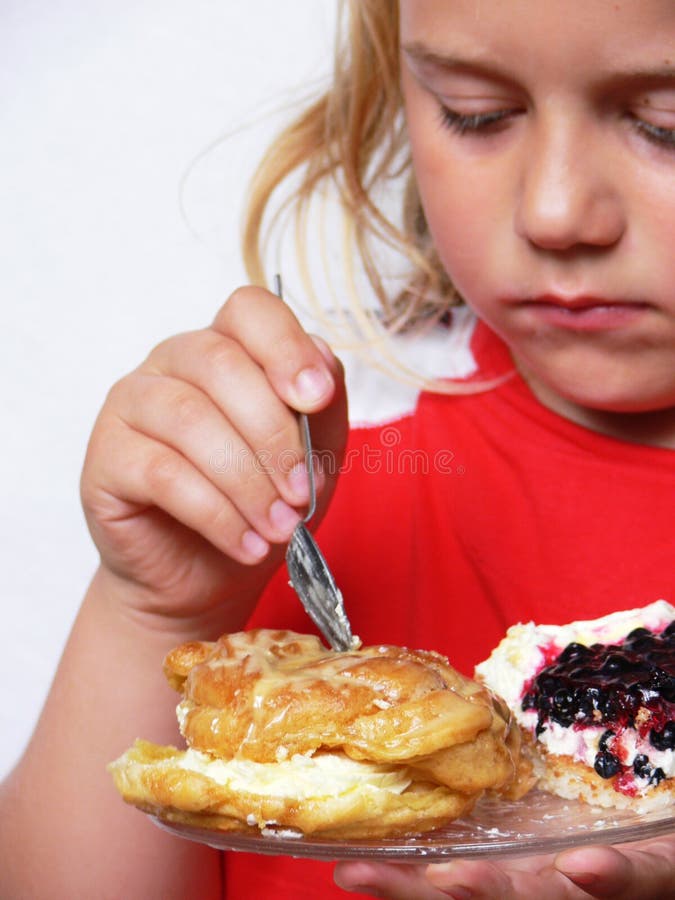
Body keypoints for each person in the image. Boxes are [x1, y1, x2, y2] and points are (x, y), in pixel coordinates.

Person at [1, 0, 673, 897]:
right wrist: (154, 616)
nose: (554, 213)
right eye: (474, 111)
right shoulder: (292, 486)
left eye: (664, 122)